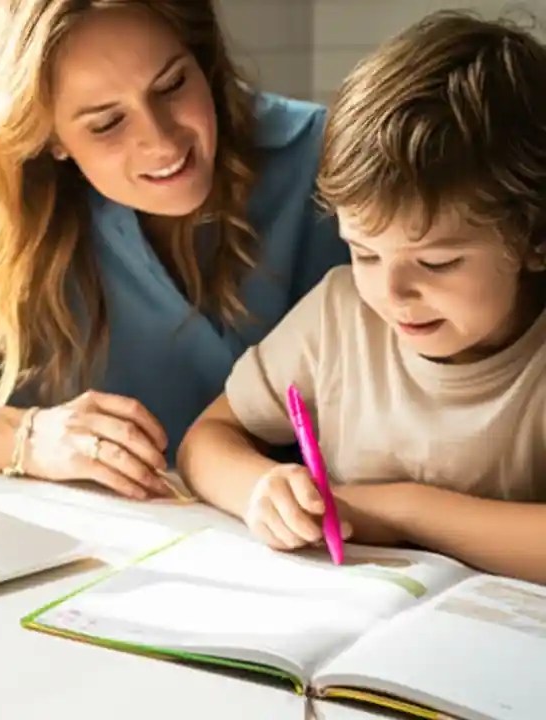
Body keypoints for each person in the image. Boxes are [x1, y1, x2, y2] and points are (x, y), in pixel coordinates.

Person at [0, 0, 347, 499]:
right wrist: (28, 438)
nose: (162, 141)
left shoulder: (328, 157)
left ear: (201, 58)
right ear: (48, 137)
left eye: (172, 85)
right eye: (106, 123)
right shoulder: (12, 228)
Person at [177, 11, 546, 584]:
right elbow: (205, 441)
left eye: (437, 263)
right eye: (365, 253)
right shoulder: (340, 314)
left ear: (535, 239)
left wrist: (401, 510)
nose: (391, 294)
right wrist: (260, 489)